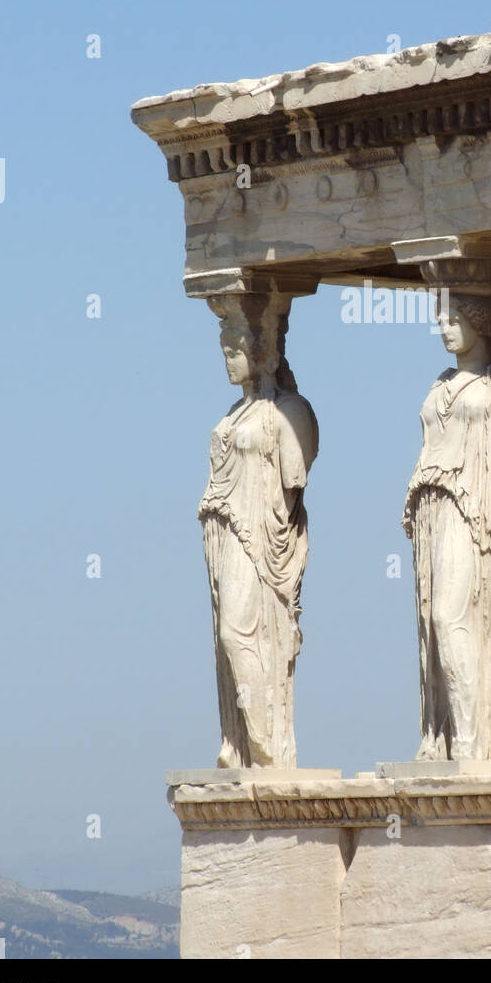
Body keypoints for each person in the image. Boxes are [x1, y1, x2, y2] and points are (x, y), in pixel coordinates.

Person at [403, 293, 491, 760]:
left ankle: (470, 740)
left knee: (451, 615)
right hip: (432, 510)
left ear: (480, 321)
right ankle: (438, 736)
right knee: (431, 625)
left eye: (454, 317)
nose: (444, 326)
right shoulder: (439, 383)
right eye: (441, 319)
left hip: (474, 513)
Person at [198, 295, 318, 768]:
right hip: (223, 537)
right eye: (224, 349)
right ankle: (241, 747)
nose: (227, 358)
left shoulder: (290, 412)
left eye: (235, 348)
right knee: (224, 642)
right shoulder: (233, 413)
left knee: (238, 633)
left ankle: (267, 745)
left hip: (259, 539)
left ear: (263, 350)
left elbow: (295, 478)